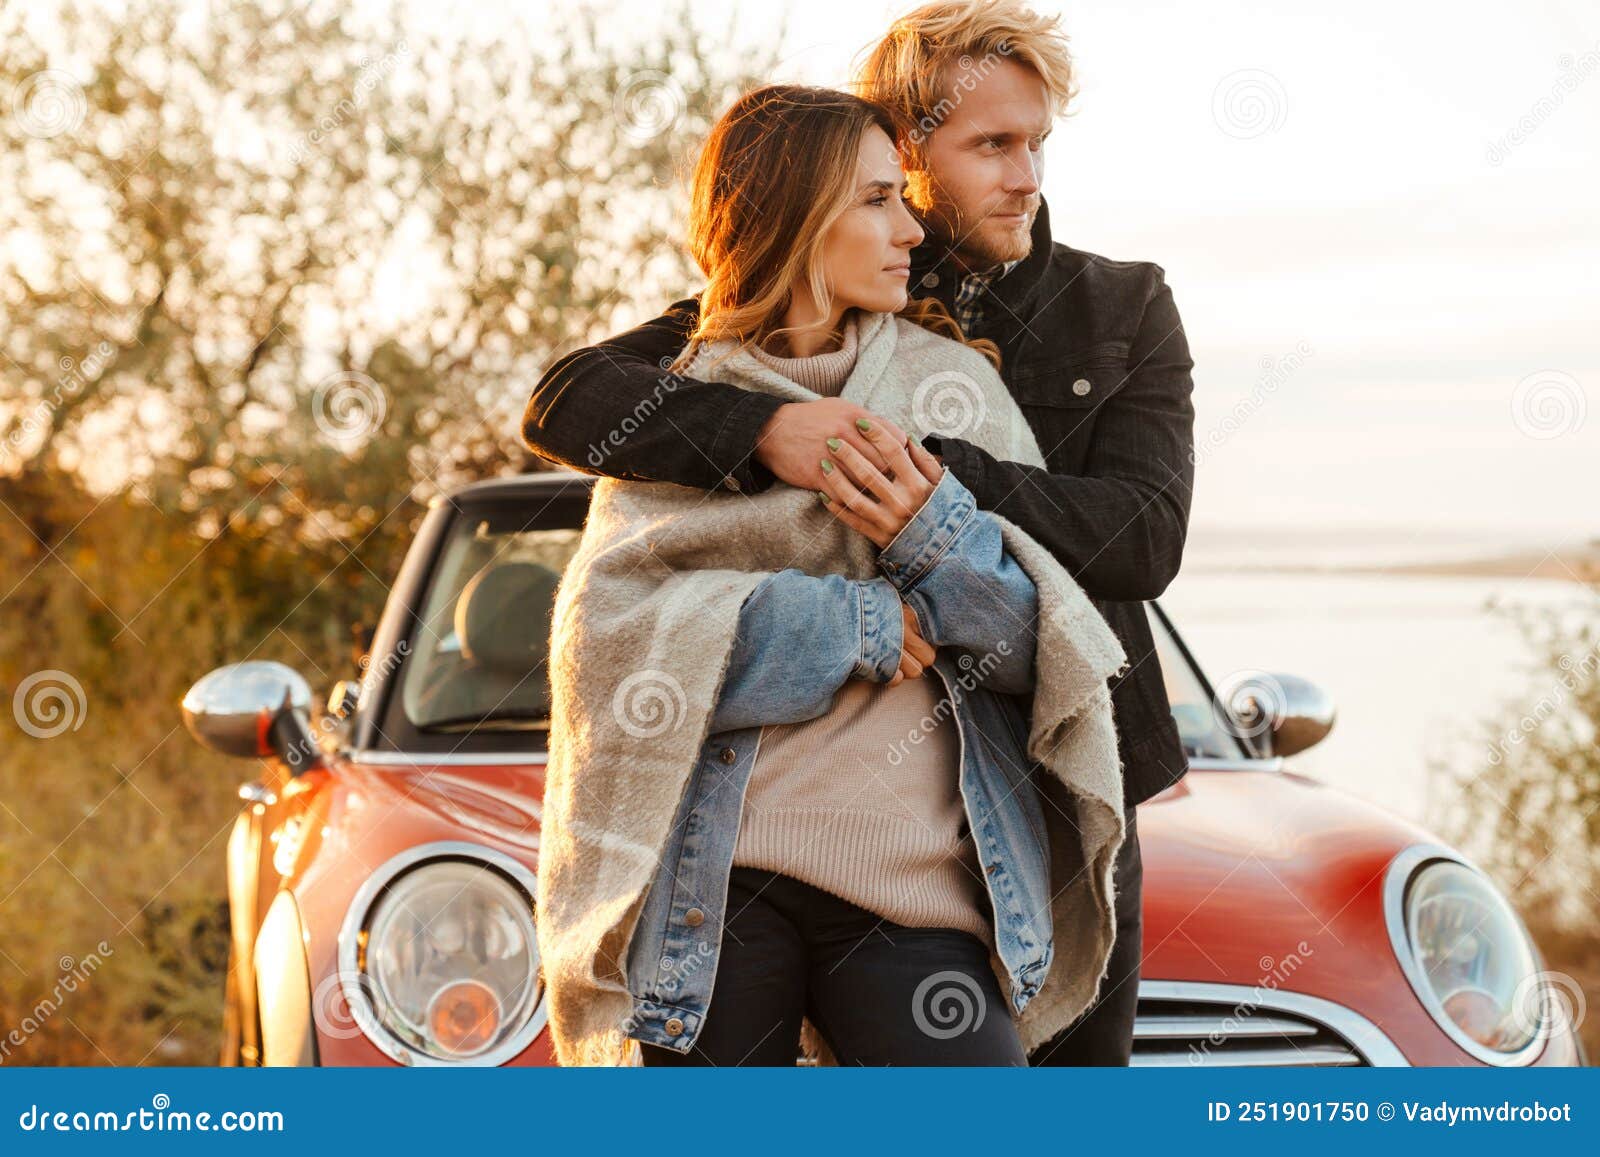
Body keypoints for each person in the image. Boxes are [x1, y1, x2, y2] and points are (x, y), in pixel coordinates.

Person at [524, 0, 1196, 1065]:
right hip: (802, 810)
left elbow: (1145, 537)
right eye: (992, 146)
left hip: (1064, 760)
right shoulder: (839, 271)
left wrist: (931, 477)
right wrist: (772, 428)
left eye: (1036, 143)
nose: (1028, 176)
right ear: (906, 157)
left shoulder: (1119, 305)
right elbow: (569, 398)